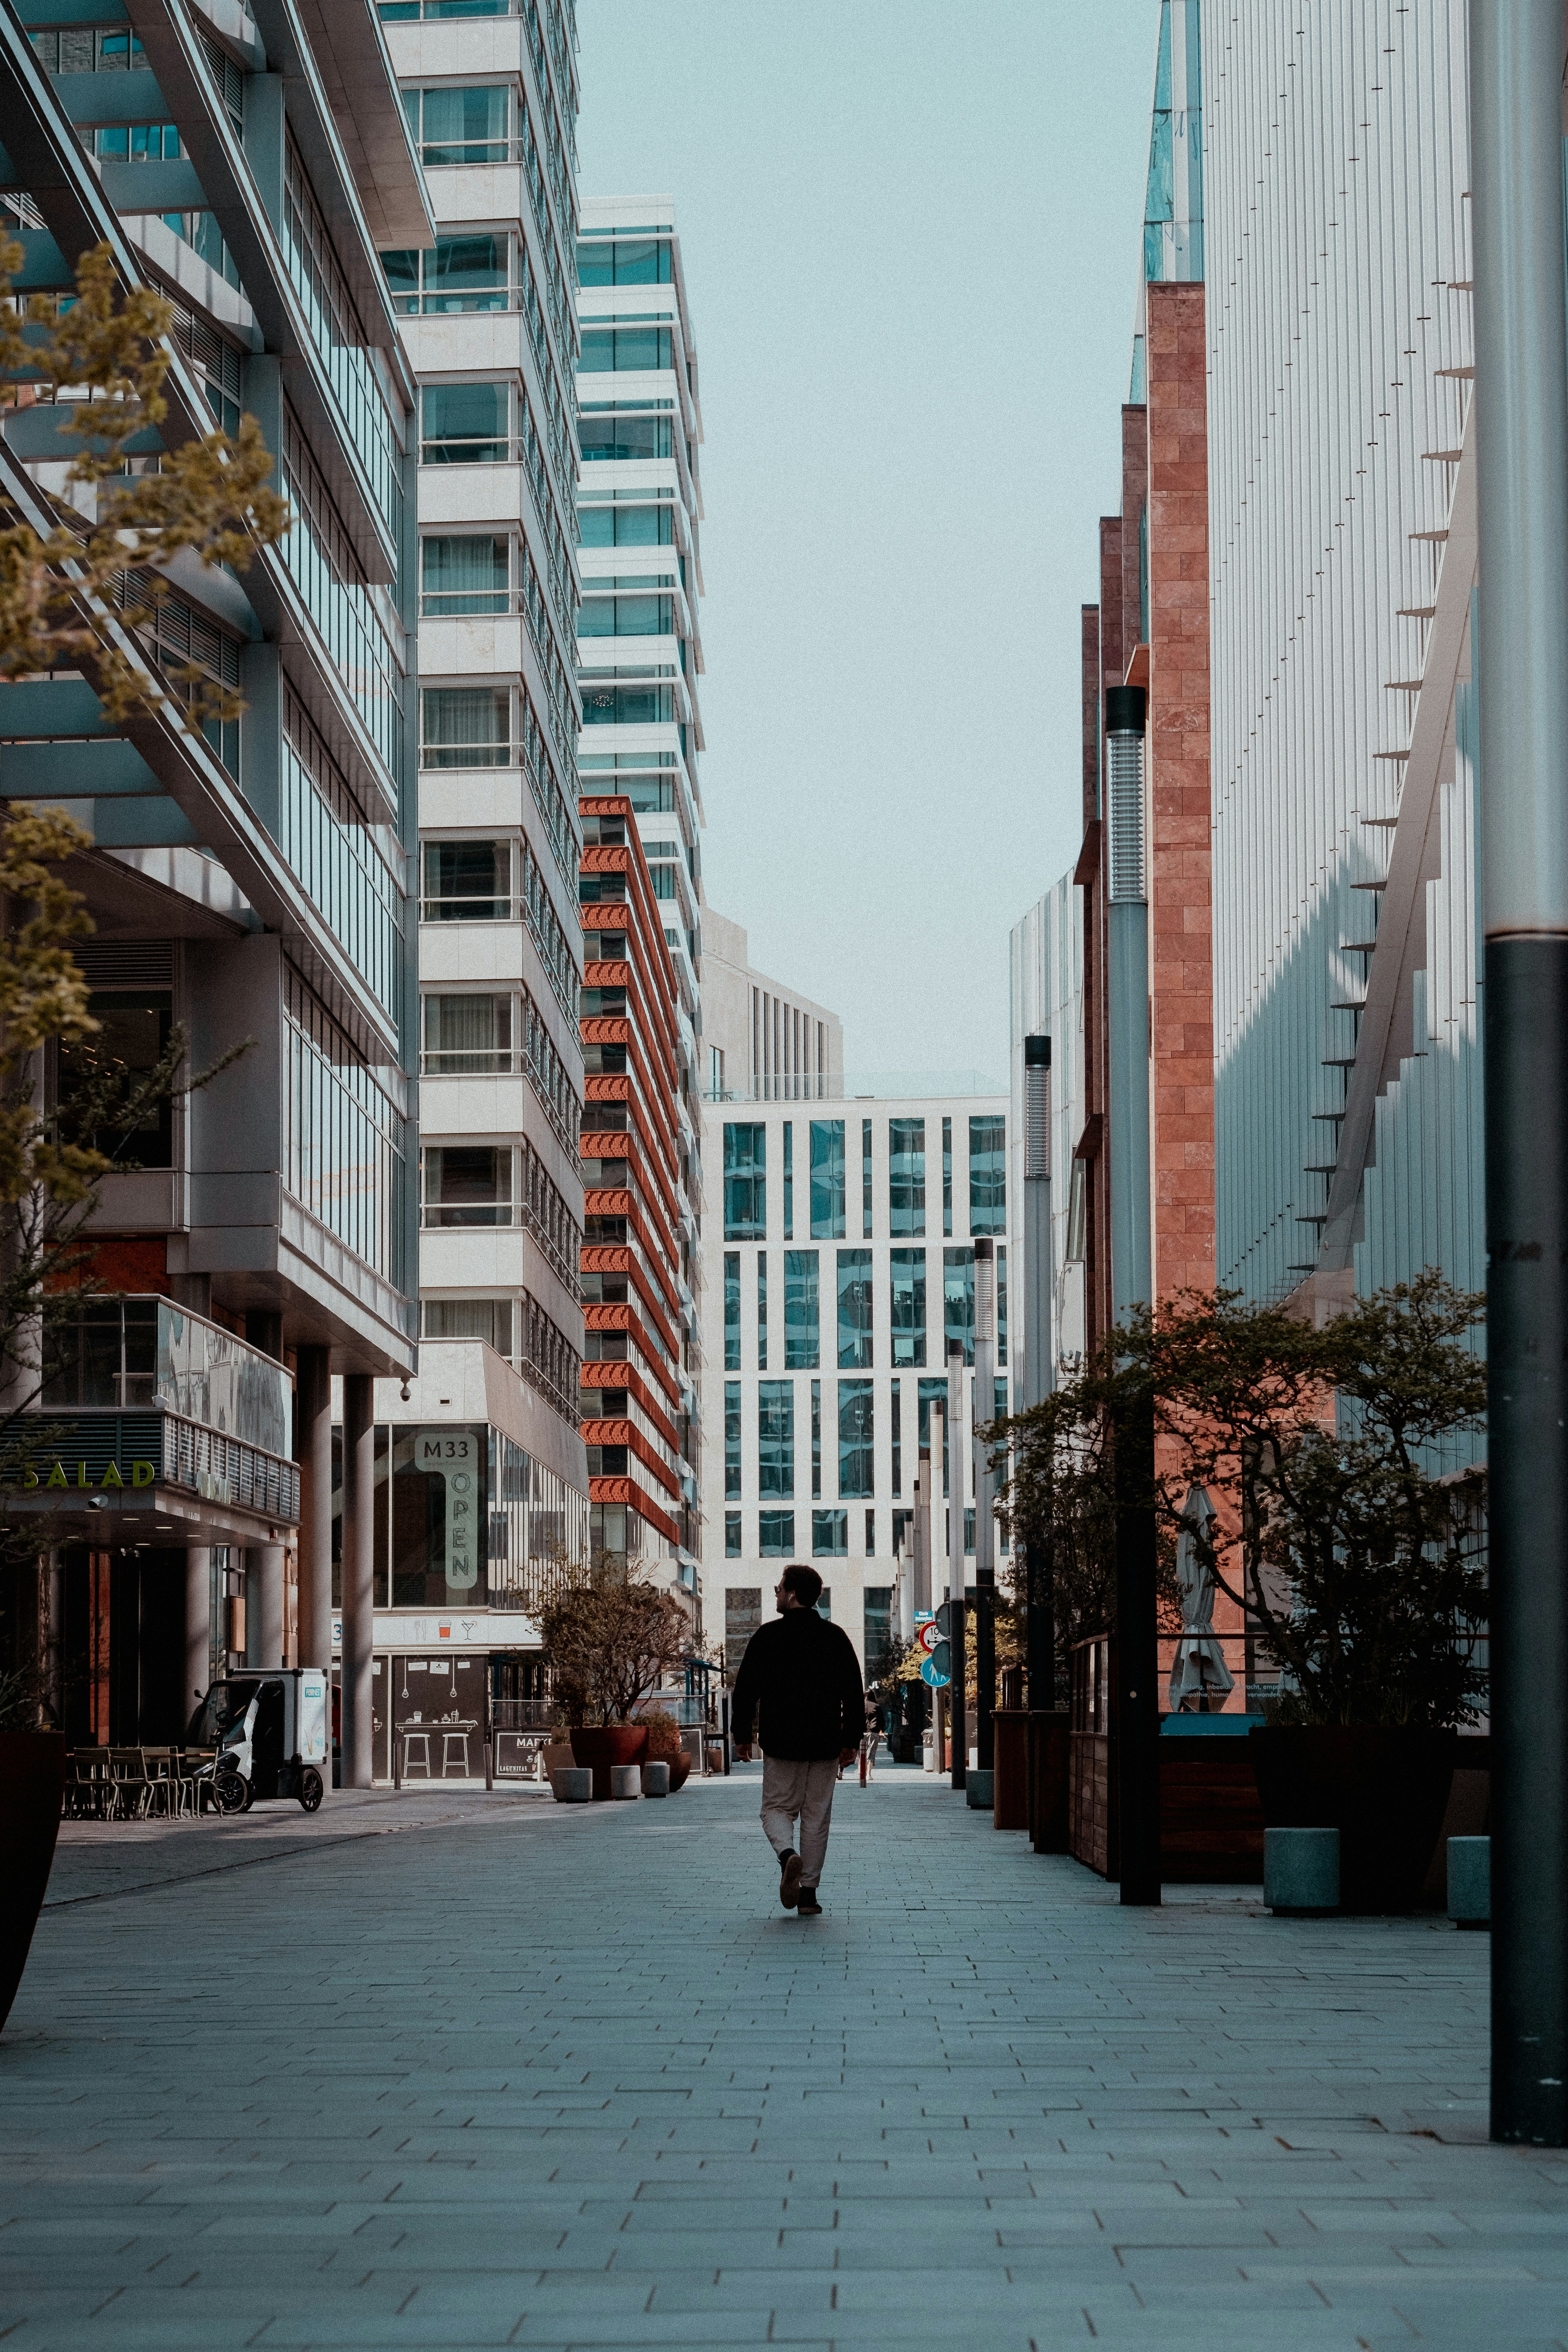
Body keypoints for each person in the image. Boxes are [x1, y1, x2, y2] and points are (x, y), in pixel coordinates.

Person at [730, 1563, 864, 1919]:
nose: (776, 1592)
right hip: (824, 1743)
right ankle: (808, 1895)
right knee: (817, 1816)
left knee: (776, 1809)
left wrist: (742, 1734)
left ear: (791, 1594)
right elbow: (853, 1692)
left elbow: (746, 1690)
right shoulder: (835, 1637)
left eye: (779, 1588)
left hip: (782, 1743)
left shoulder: (768, 1636)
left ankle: (788, 1856)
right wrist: (851, 1739)